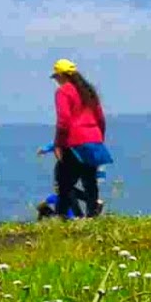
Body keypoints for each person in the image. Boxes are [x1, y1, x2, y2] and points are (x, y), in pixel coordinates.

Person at [51, 59, 111, 218]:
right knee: (89, 180)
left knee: (63, 181)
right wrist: (99, 138)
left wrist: (58, 144)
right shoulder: (88, 91)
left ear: (62, 75)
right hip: (94, 140)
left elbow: (64, 120)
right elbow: (100, 118)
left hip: (75, 141)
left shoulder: (63, 92)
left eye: (56, 77)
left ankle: (63, 216)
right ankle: (92, 215)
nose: (56, 81)